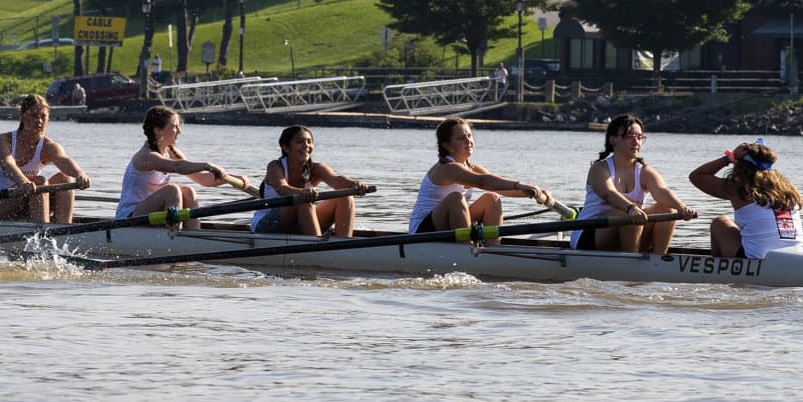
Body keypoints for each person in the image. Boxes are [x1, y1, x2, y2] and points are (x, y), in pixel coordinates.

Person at [572, 113, 697, 252]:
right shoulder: (599, 169)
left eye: (639, 137)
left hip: (630, 230)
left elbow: (661, 192)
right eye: (629, 136)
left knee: (667, 209)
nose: (636, 142)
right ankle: (632, 261)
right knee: (626, 214)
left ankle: (658, 260)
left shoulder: (644, 171)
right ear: (613, 140)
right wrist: (631, 208)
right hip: (590, 236)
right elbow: (609, 194)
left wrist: (681, 207)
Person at [407, 117, 551, 233]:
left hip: (446, 227)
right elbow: (483, 182)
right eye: (461, 138)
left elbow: (502, 188)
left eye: (469, 136)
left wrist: (534, 192)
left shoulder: (471, 167)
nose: (468, 141)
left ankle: (493, 249)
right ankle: (467, 250)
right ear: (447, 145)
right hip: (422, 232)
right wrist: (519, 184)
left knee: (492, 198)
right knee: (456, 199)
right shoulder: (446, 168)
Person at [116, 106, 249, 228]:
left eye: (179, 126)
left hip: (151, 216)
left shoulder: (171, 152)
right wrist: (208, 165)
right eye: (174, 127)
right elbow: (179, 167)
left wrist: (229, 178)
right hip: (128, 218)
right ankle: (174, 234)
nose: (179, 131)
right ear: (158, 130)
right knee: (172, 190)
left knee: (188, 192)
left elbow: (203, 178)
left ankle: (193, 237)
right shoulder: (146, 156)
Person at [0, 93, 91, 223]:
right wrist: (24, 182)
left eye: (43, 117)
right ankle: (42, 235)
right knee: (39, 182)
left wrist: (80, 174)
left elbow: (63, 160)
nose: (39, 121)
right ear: (21, 116)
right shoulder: (1, 140)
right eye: (34, 115)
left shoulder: (49, 146)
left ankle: (63, 230)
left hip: (26, 198)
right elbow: (8, 165)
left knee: (65, 179)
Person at [687, 138, 803, 259]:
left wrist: (728, 158)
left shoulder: (739, 188)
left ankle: (718, 271)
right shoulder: (788, 190)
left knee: (720, 223)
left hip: (757, 259)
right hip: (798, 256)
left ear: (740, 165)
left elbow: (696, 176)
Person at [248, 125, 375, 238]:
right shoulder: (275, 166)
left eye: (309, 142)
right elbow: (282, 189)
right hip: (267, 226)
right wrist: (304, 192)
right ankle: (317, 247)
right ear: (286, 148)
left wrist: (356, 184)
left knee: (345, 197)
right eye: (300, 142)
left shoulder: (316, 169)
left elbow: (337, 181)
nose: (306, 146)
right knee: (303, 199)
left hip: (300, 222)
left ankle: (343, 244)